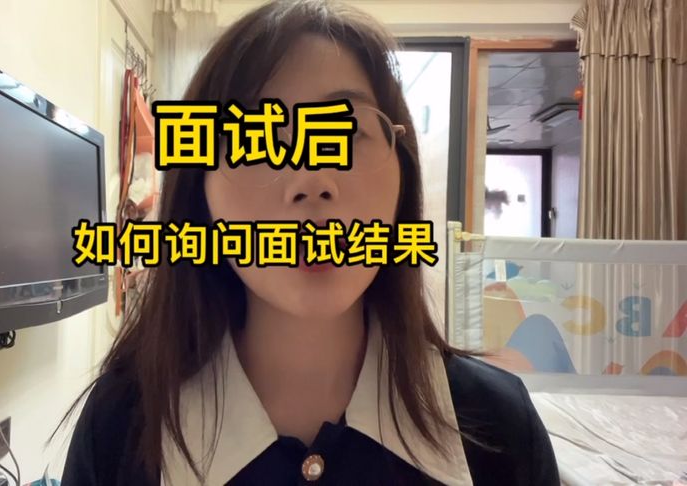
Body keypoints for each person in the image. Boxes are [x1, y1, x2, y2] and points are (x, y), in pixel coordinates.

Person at [62, 1, 559, 484]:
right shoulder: (121, 426)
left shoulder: (498, 426)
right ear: (200, 192)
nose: (312, 179)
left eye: (348, 131)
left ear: (402, 172)